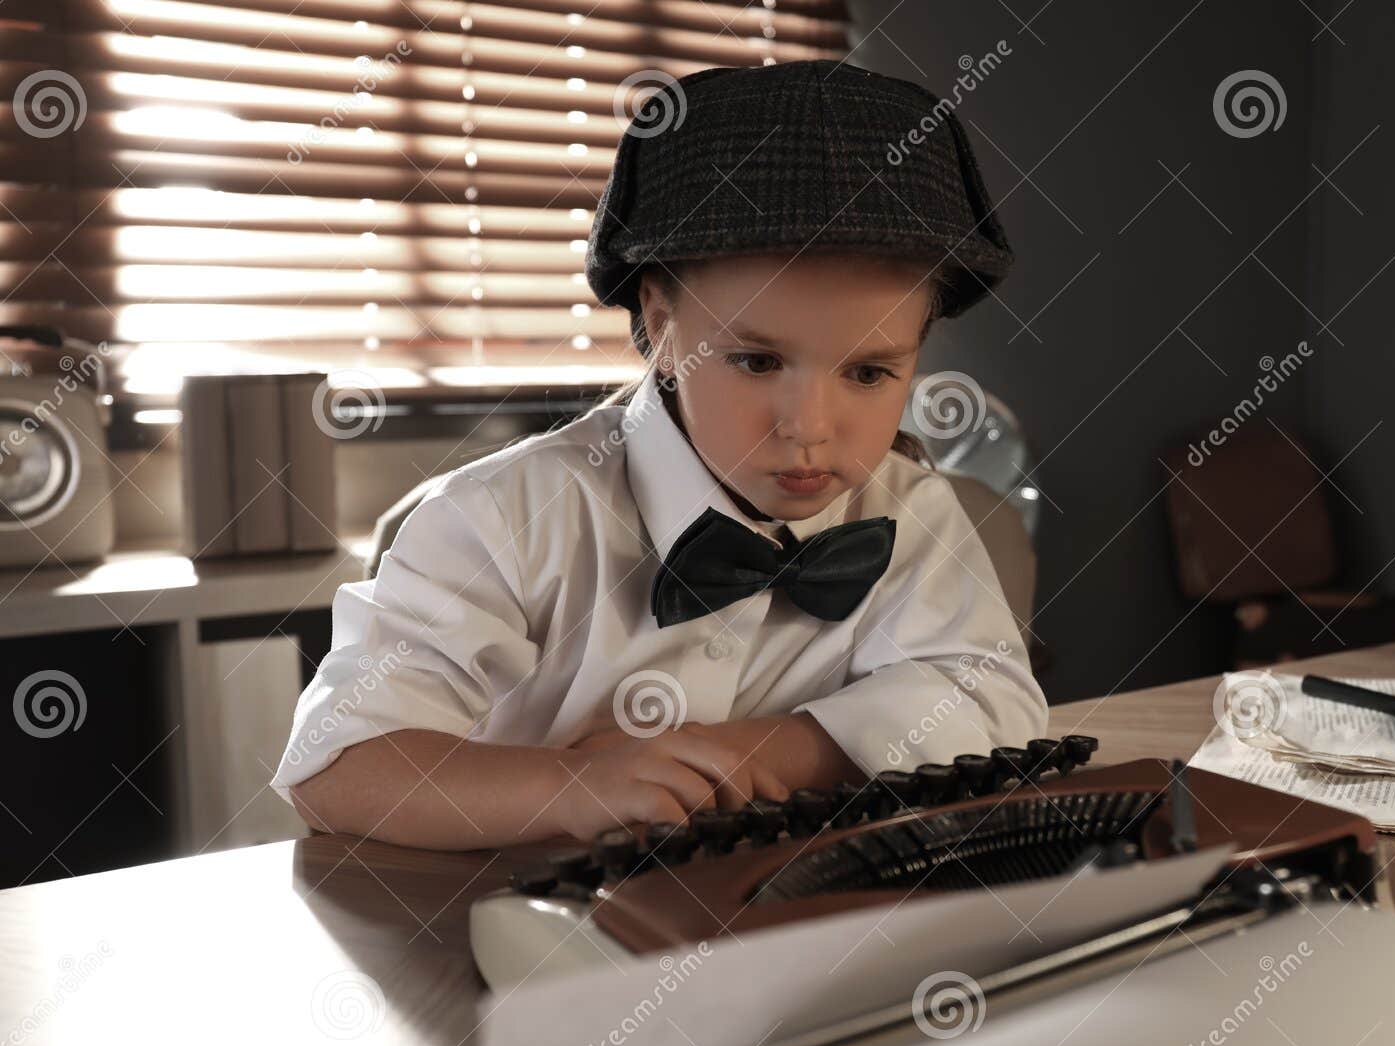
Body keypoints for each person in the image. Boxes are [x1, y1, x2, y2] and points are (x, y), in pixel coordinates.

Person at [270, 59, 1049, 850]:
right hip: (523, 942)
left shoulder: (910, 510)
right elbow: (336, 765)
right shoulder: (501, 521)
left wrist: (772, 750)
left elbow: (995, 702)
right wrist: (572, 789)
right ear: (662, 322)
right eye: (756, 361)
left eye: (870, 373)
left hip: (805, 921)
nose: (810, 428)